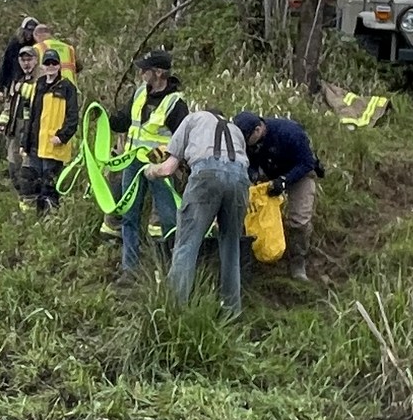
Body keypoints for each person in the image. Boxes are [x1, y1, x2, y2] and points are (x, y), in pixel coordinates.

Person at [144, 107, 250, 315]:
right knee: (231, 246)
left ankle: (175, 309)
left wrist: (150, 171)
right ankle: (231, 312)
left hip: (206, 174)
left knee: (186, 244)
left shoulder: (192, 119)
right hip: (240, 179)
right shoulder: (236, 130)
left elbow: (168, 168)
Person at [109, 49, 190, 273]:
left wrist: (164, 157)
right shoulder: (139, 94)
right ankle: (130, 270)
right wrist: (103, 118)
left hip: (160, 168)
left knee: (167, 218)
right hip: (132, 163)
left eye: (146, 69)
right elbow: (124, 122)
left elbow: (183, 139)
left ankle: (170, 269)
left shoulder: (176, 103)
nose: (141, 72)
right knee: (129, 215)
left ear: (159, 72)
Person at [232, 111, 323, 281]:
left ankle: (298, 261)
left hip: (298, 172)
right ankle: (252, 252)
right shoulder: (244, 141)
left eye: (245, 138)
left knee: (299, 220)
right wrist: (252, 175)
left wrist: (284, 181)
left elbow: (307, 162)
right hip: (266, 171)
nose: (242, 142)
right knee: (247, 207)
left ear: (258, 130)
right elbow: (246, 162)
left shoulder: (290, 132)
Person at [20, 48, 79, 212]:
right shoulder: (38, 84)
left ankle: (51, 216)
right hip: (35, 144)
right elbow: (31, 116)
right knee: (32, 181)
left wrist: (62, 136)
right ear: (43, 66)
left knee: (50, 183)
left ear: (59, 66)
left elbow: (73, 117)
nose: (50, 66)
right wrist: (25, 143)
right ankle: (35, 216)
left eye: (54, 63)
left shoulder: (67, 87)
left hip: (54, 145)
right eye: (47, 63)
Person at [0, 45, 39, 208]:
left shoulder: (40, 79)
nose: (26, 63)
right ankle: (21, 199)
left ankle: (30, 203)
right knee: (13, 166)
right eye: (23, 59)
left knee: (28, 168)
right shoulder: (17, 80)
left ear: (36, 60)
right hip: (13, 127)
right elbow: (9, 104)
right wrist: (2, 121)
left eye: (29, 59)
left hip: (30, 130)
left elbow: (37, 98)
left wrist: (23, 88)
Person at [0, 17, 38, 97]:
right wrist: (0, 88)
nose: (30, 33)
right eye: (28, 30)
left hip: (33, 82)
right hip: (15, 81)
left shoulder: (39, 46)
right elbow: (5, 64)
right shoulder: (15, 44)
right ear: (23, 30)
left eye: (33, 30)